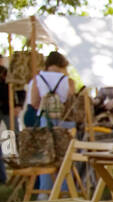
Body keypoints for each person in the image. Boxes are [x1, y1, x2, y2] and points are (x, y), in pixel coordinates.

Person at [27, 52, 77, 192]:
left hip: (46, 120)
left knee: (46, 156)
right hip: (65, 120)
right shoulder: (68, 80)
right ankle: (66, 190)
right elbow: (71, 102)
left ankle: (45, 191)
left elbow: (34, 102)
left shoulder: (38, 79)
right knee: (66, 157)